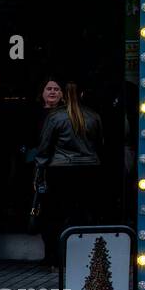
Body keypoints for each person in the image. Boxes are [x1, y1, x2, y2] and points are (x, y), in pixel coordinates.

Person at [35, 82, 103, 269]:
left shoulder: (55, 117)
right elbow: (99, 143)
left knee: (54, 216)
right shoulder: (93, 116)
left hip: (60, 169)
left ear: (64, 95)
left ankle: (54, 258)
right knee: (83, 214)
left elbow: (44, 147)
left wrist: (40, 172)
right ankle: (84, 256)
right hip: (89, 168)